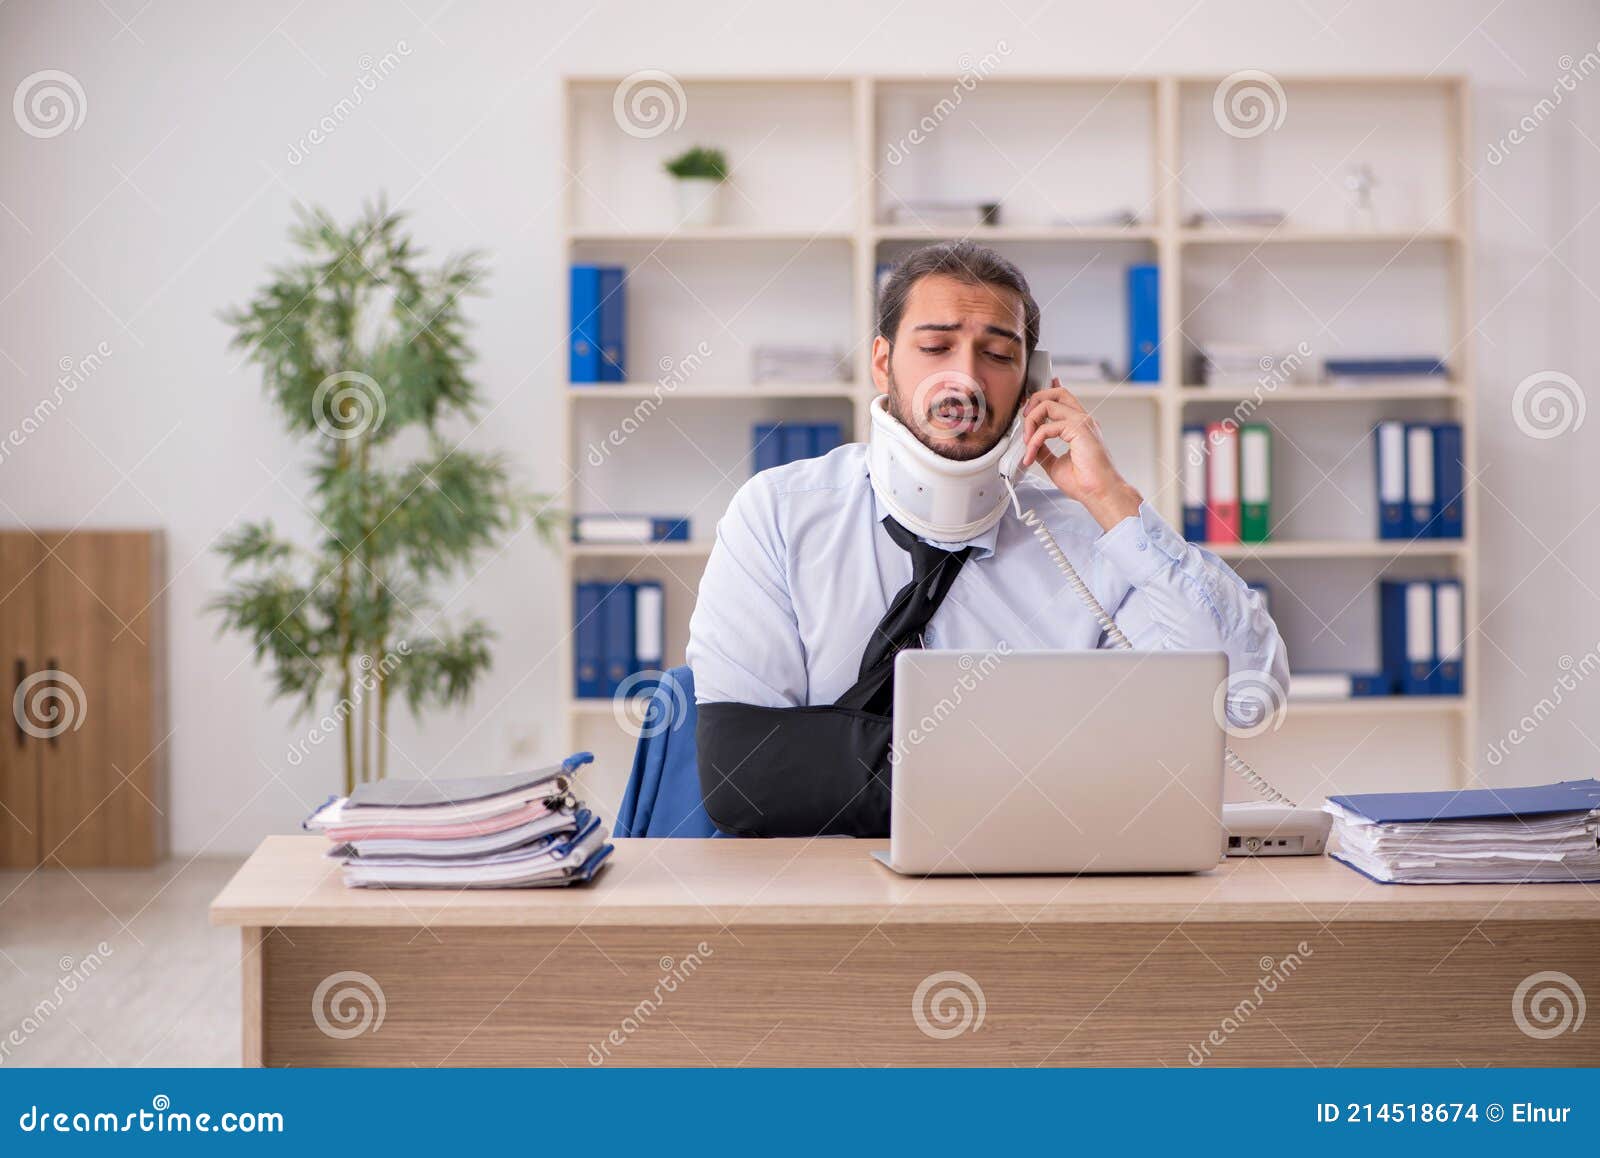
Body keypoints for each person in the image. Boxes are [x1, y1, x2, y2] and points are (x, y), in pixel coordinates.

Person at [686, 240, 1287, 837]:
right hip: (819, 897)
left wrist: (1114, 503)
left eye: (999, 354)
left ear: (1034, 382)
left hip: (1036, 896)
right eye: (935, 346)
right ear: (882, 362)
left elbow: (1243, 698)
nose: (966, 377)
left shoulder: (1091, 544)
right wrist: (1051, 758)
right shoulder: (779, 514)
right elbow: (744, 771)